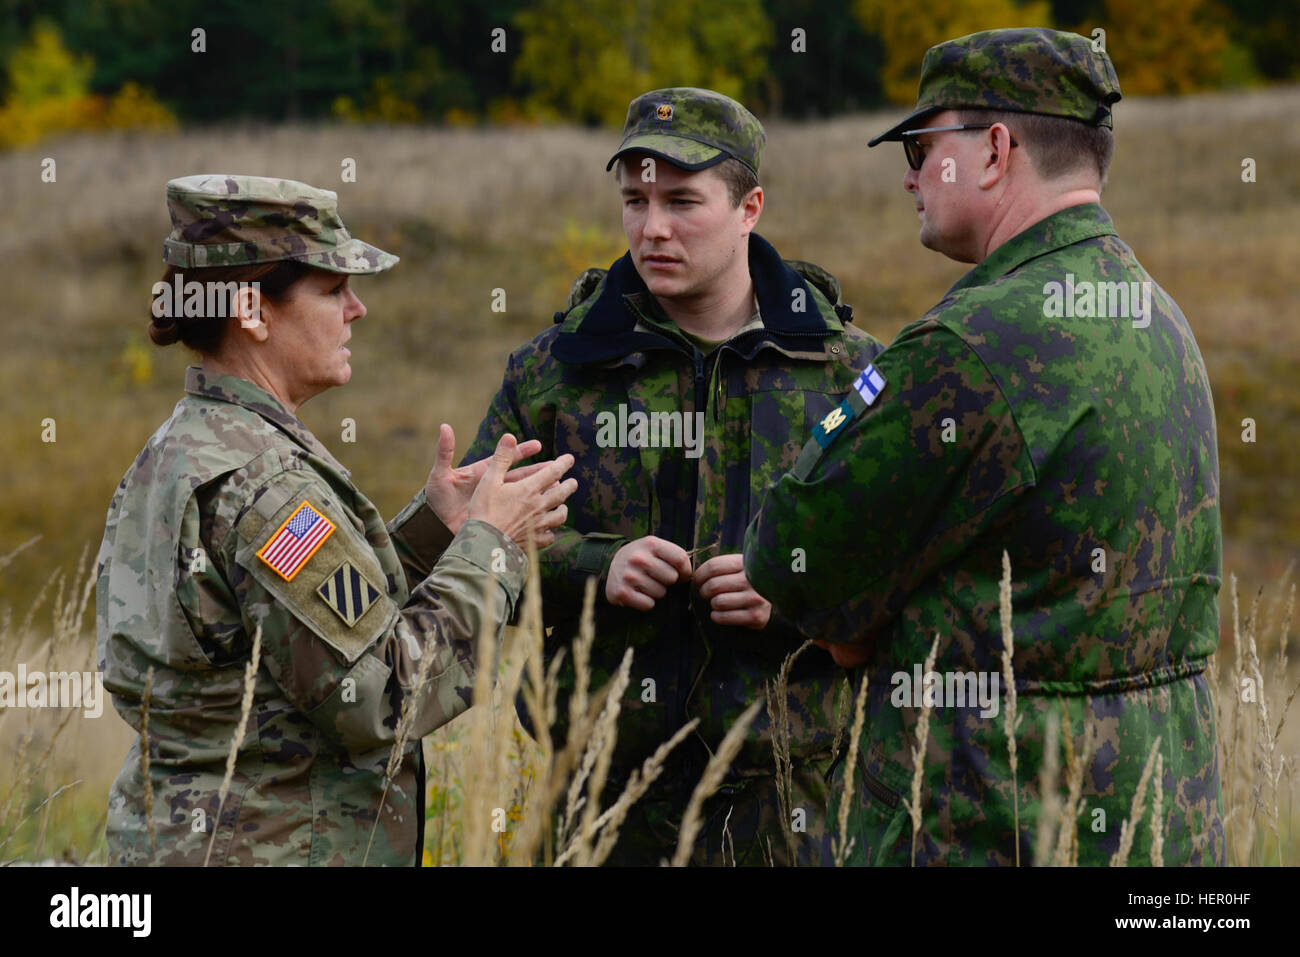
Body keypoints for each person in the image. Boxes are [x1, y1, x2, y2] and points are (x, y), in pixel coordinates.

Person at [743, 28, 1224, 866]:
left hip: (994, 820)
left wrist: (856, 619)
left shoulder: (972, 344)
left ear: (995, 151)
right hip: (1163, 827)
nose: (910, 174)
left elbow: (792, 555)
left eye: (925, 148)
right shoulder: (1157, 316)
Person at [96, 174, 576, 866]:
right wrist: (489, 547)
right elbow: (380, 695)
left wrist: (434, 531)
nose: (357, 308)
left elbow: (287, 641)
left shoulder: (186, 446)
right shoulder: (266, 487)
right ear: (253, 311)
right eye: (330, 289)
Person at [464, 88, 885, 864]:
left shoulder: (847, 371)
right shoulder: (557, 371)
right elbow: (473, 547)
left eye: (683, 200)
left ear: (749, 206)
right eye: (635, 199)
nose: (652, 228)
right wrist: (596, 564)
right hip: (605, 797)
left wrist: (794, 593)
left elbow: (911, 561)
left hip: (793, 798)